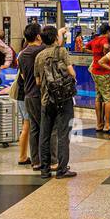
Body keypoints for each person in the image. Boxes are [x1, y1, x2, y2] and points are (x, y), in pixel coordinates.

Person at [35, 24, 77, 179]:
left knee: (44, 135)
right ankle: (62, 170)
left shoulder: (39, 56)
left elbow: (38, 81)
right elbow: (71, 72)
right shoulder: (62, 51)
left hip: (46, 99)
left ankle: (44, 170)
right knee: (63, 134)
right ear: (55, 38)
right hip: (63, 99)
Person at [17, 23, 45, 169]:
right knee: (44, 128)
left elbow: (22, 75)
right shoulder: (41, 50)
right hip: (40, 94)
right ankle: (46, 159)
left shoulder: (21, 54)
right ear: (38, 36)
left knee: (33, 128)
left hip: (28, 94)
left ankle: (36, 161)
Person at [86, 22, 110, 135]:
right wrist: (106, 53)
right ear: (107, 31)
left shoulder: (95, 40)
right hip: (104, 71)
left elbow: (84, 47)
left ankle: (99, 123)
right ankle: (107, 124)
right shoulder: (105, 40)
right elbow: (106, 47)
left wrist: (95, 54)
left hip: (95, 71)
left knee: (98, 97)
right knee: (108, 99)